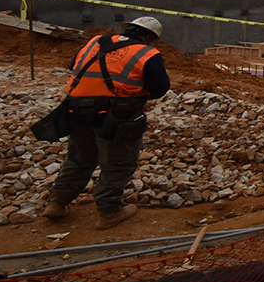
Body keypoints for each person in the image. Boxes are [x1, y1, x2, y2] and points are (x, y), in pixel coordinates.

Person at [44, 16, 170, 230]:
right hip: (115, 115)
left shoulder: (96, 41)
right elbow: (159, 89)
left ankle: (57, 202)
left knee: (79, 157)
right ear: (149, 36)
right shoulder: (147, 53)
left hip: (76, 109)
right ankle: (110, 210)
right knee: (118, 162)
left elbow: (73, 65)